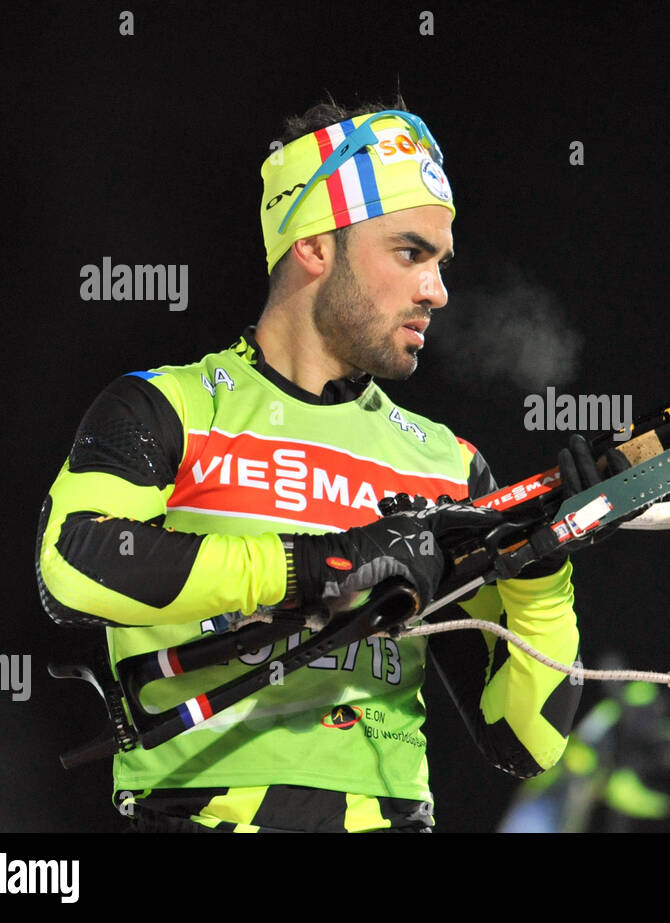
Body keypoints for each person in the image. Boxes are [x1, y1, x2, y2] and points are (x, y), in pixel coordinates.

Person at [35, 96, 616, 832]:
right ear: (314, 246)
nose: (437, 291)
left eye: (440, 263)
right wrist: (321, 565)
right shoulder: (168, 406)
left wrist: (543, 576)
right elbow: (72, 567)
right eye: (410, 253)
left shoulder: (449, 462)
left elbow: (524, 742)